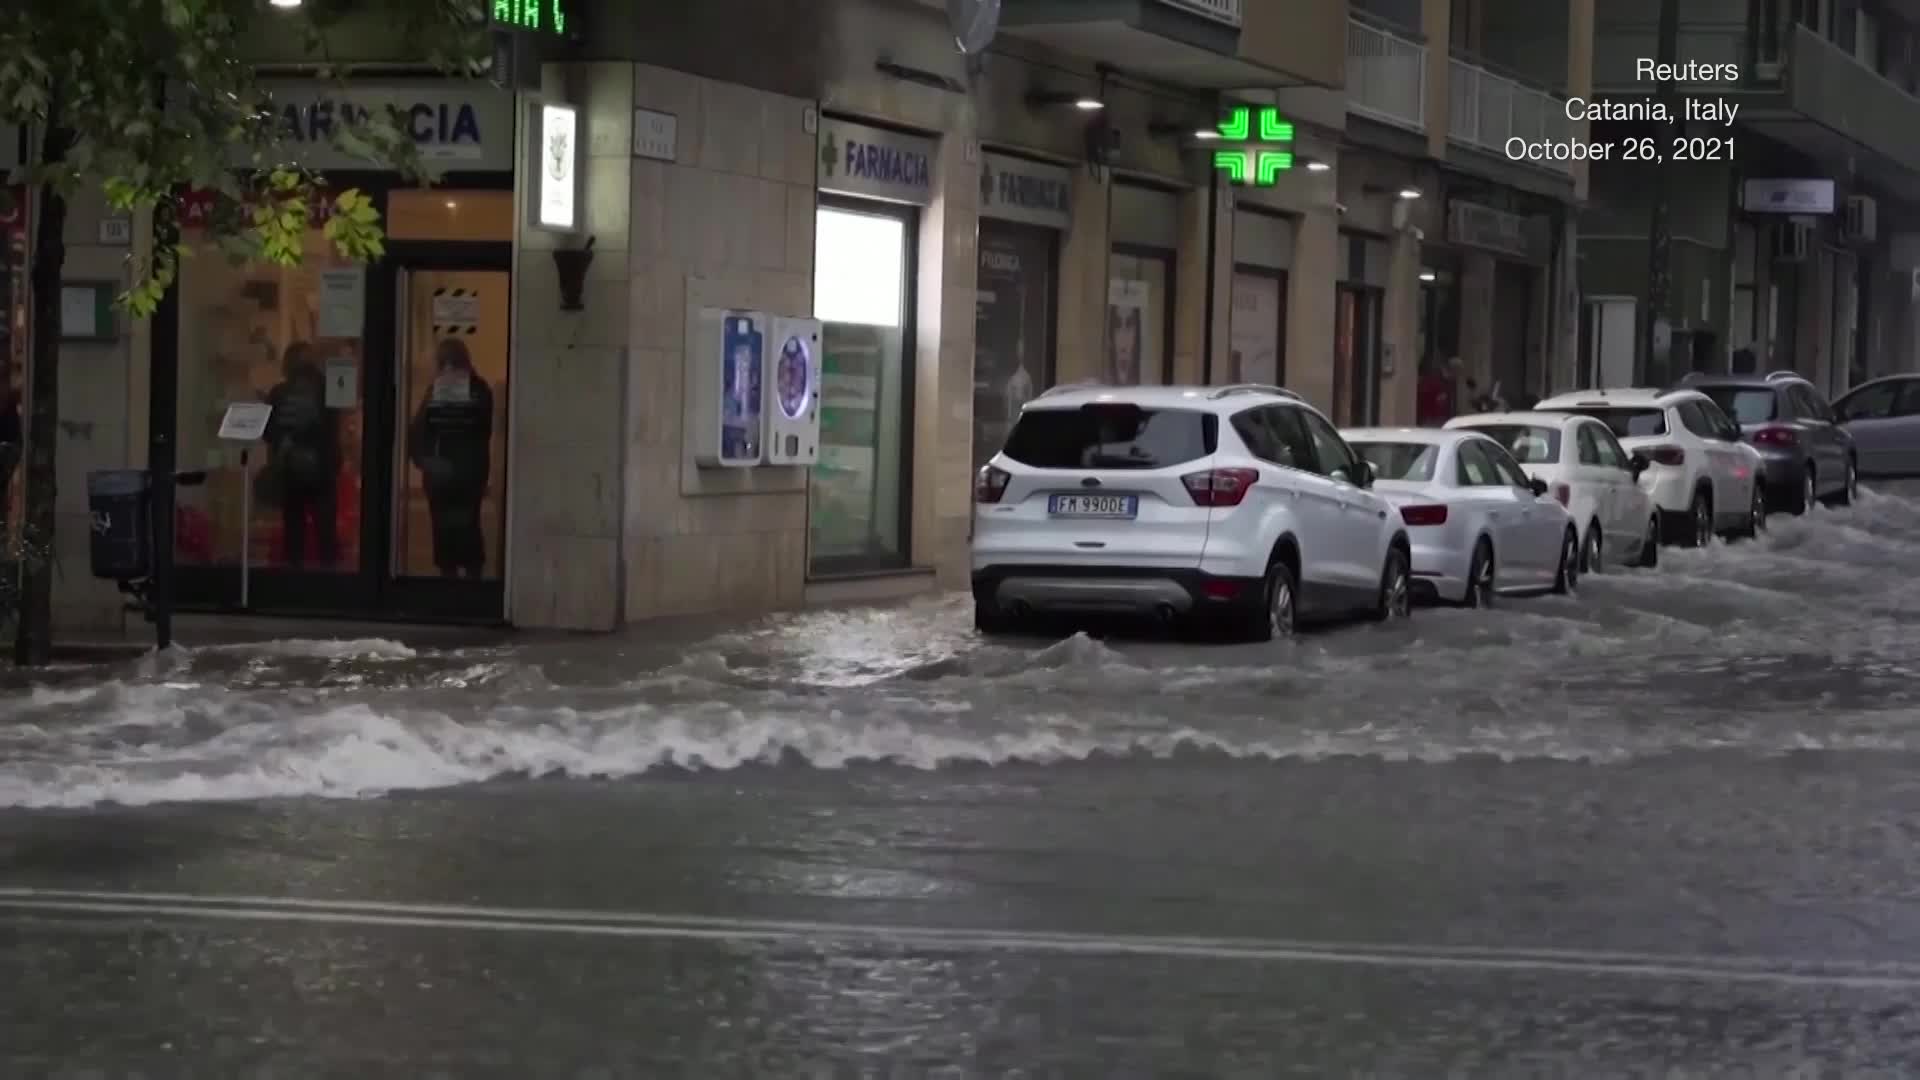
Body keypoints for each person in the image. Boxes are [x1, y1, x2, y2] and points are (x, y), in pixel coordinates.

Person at [409, 338, 494, 578]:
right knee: (470, 531)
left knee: (445, 535)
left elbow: (419, 430)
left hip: (443, 474)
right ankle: (472, 587)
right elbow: (483, 430)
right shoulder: (481, 389)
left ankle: (450, 589)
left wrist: (423, 460)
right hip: (470, 474)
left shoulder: (439, 389)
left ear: (444, 362)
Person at [262, 343, 340, 569]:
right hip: (322, 471)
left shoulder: (278, 393)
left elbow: (268, 431)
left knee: (294, 531)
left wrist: (284, 443)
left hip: (291, 471)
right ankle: (330, 581)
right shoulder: (327, 391)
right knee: (325, 531)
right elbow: (332, 428)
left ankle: (294, 581)